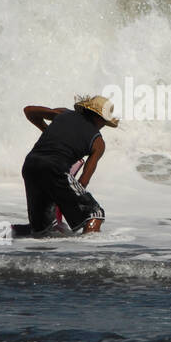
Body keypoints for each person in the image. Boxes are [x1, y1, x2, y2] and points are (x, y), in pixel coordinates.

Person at [18, 95, 119, 236]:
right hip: (56, 168)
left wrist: (47, 130)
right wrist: (65, 199)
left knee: (42, 229)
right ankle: (87, 252)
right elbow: (84, 180)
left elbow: (29, 111)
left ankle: (16, 241)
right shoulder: (98, 142)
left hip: (30, 166)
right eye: (104, 122)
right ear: (99, 118)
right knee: (94, 214)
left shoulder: (62, 113)